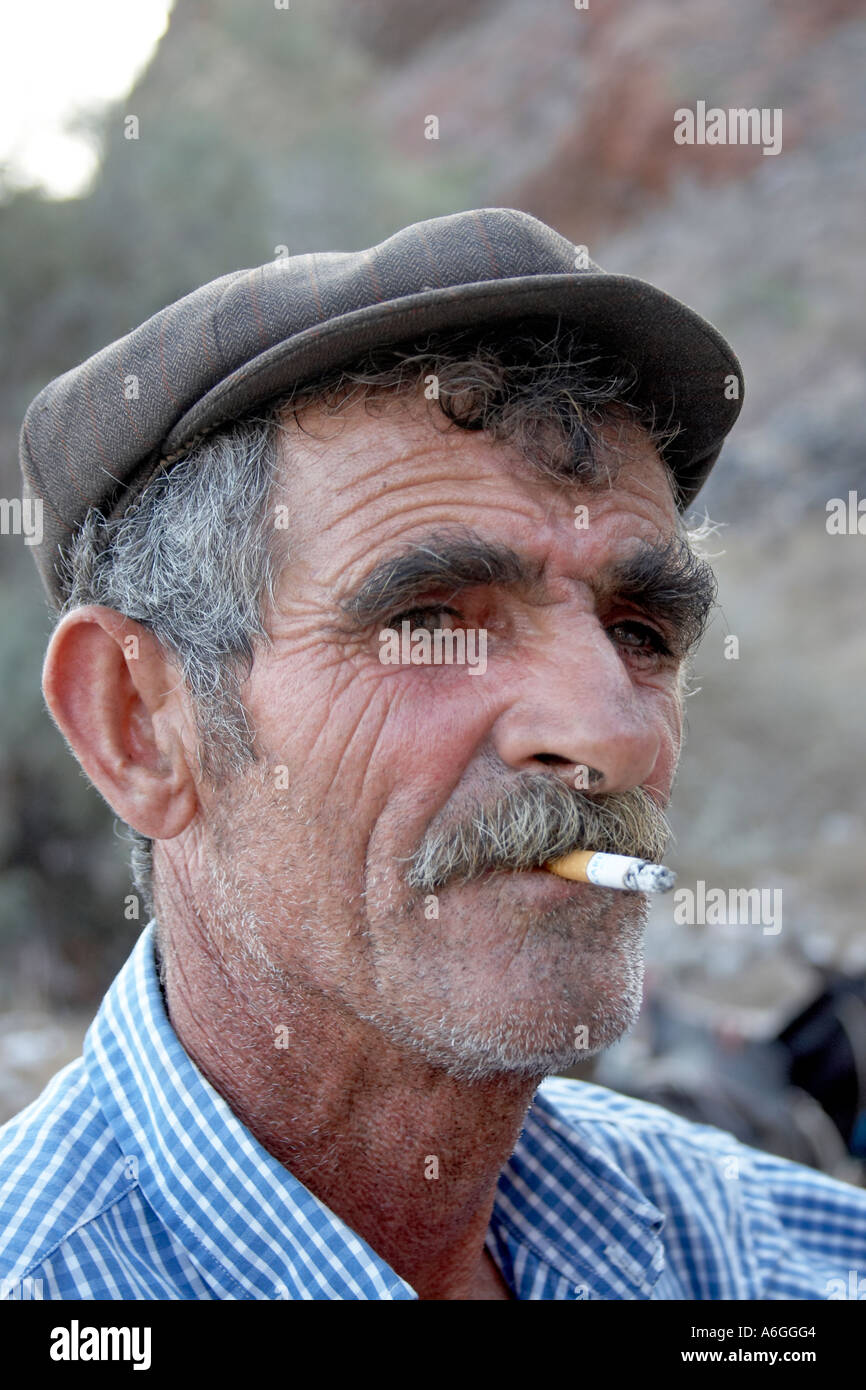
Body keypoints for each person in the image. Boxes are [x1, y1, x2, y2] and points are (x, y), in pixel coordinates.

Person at [3, 208, 865, 1301]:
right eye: (429, 622)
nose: (608, 732)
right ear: (137, 723)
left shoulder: (794, 1269)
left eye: (638, 631)